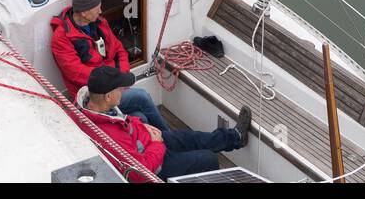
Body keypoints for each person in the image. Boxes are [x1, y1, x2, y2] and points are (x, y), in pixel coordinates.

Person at [76, 66, 250, 181]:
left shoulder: (97, 109)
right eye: (120, 89)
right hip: (156, 165)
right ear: (108, 96)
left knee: (194, 138)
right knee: (208, 159)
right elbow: (141, 173)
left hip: (149, 141)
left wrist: (142, 125)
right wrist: (158, 145)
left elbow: (121, 120)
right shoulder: (108, 136)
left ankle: (236, 137)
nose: (124, 91)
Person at [50, 0, 167, 131]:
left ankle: (155, 141)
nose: (101, 10)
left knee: (140, 117)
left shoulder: (100, 23)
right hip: (94, 96)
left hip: (114, 86)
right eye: (97, 7)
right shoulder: (61, 39)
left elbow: (119, 50)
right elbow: (76, 74)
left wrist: (122, 76)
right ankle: (169, 136)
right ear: (84, 13)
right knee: (142, 97)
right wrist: (116, 82)